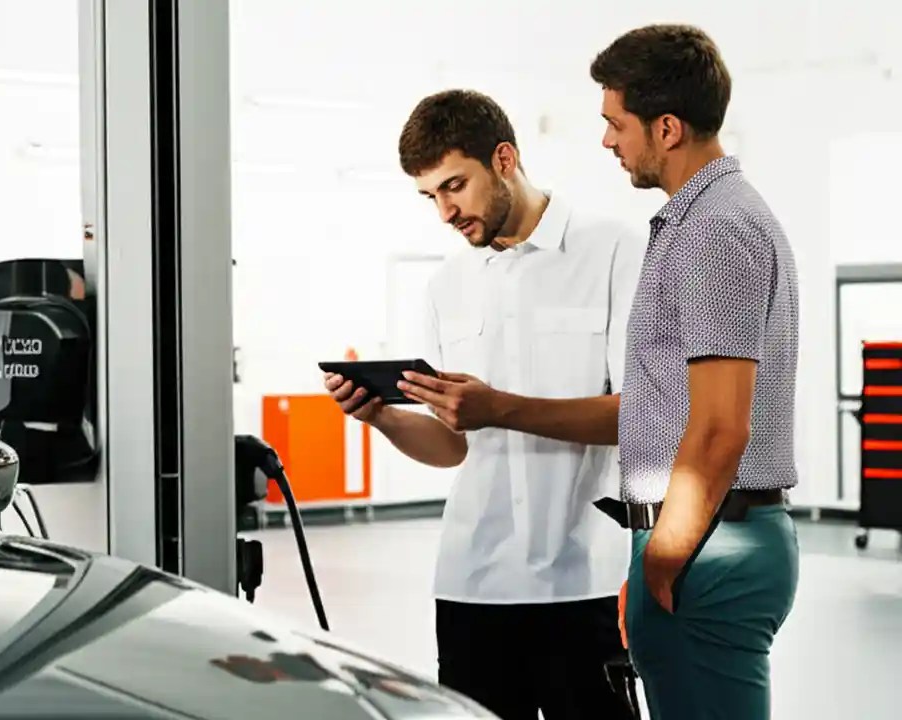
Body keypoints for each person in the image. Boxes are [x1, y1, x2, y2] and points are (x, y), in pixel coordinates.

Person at [398, 25, 801, 719]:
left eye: (615, 123)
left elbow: (714, 424)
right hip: (566, 562)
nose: (607, 140)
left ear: (666, 127)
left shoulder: (706, 229)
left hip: (684, 547)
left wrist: (660, 555)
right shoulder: (693, 223)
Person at [324, 88, 644, 720]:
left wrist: (499, 406)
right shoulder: (448, 288)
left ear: (503, 159)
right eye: (430, 197)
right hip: (471, 585)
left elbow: (642, 415)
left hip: (584, 580)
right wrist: (382, 416)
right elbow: (452, 449)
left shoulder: (614, 251)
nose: (445, 212)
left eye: (454, 186)